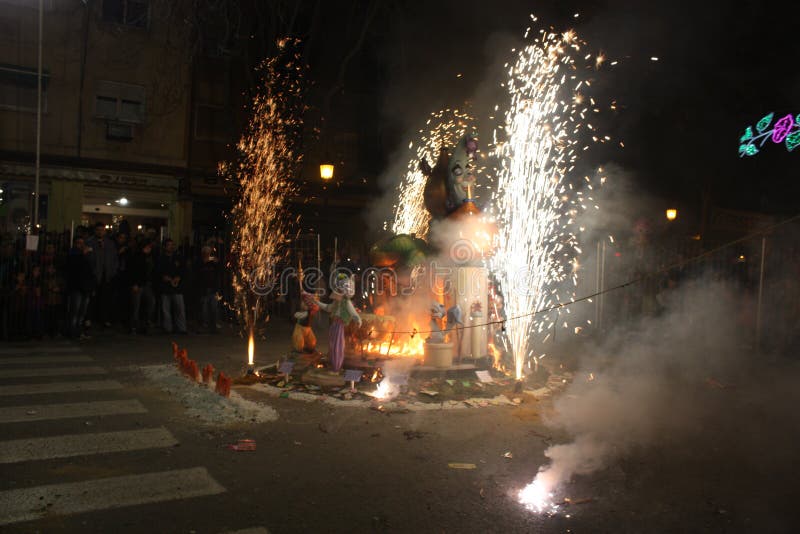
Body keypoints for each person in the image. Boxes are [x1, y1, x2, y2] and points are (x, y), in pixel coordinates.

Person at [86, 223, 118, 328]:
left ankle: (104, 319)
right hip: (95, 275)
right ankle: (89, 318)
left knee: (105, 299)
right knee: (92, 298)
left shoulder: (110, 243)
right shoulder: (90, 242)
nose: (100, 232)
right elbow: (88, 258)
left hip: (107, 274)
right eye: (98, 230)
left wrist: (112, 271)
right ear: (95, 231)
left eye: (102, 230)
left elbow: (114, 259)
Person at [65, 236, 95, 339]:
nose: (81, 245)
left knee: (82, 311)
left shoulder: (86, 256)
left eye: (82, 243)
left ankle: (78, 330)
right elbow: (74, 268)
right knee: (75, 311)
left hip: (85, 287)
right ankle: (72, 331)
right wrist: (83, 254)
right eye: (78, 243)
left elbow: (90, 271)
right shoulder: (73, 254)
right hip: (76, 287)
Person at [157, 238, 187, 335]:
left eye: (172, 245)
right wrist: (164, 277)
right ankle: (168, 328)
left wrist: (178, 277)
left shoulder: (178, 257)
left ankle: (181, 328)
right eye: (169, 245)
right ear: (165, 247)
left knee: (180, 308)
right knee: (166, 309)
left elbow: (183, 269)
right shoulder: (161, 259)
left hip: (177, 287)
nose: (171, 247)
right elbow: (158, 271)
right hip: (165, 287)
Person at [129, 239, 157, 334]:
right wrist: (134, 283)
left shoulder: (150, 257)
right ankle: (134, 327)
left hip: (147, 284)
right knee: (135, 306)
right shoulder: (137, 257)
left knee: (151, 303)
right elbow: (133, 271)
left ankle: (146, 324)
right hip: (139, 284)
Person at [196, 245, 220, 333]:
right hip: (203, 289)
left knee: (214, 308)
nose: (208, 254)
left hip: (213, 288)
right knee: (204, 308)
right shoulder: (199, 262)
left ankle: (213, 326)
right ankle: (204, 325)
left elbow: (218, 270)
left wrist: (216, 262)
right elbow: (198, 272)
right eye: (206, 253)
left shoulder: (213, 262)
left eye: (209, 253)